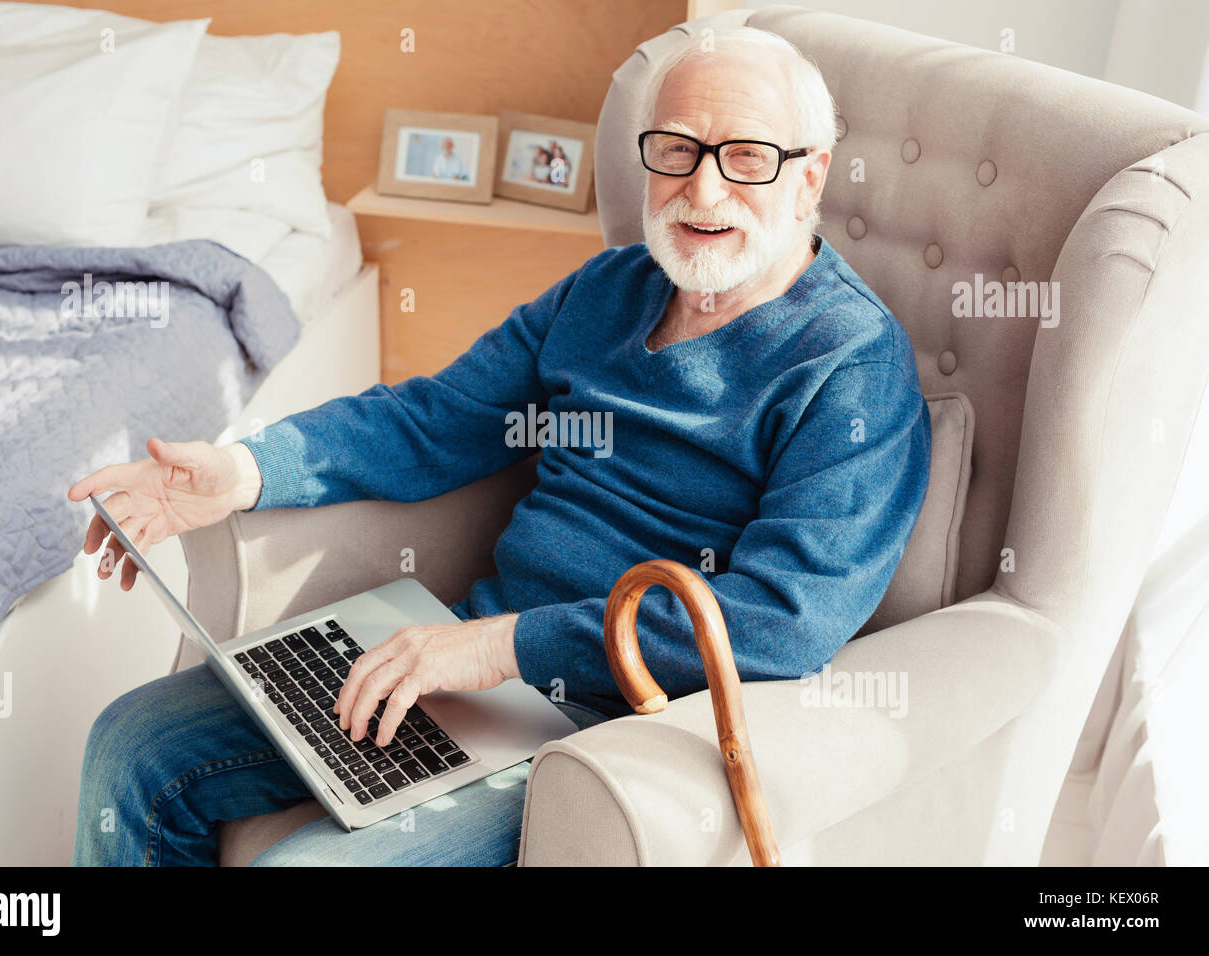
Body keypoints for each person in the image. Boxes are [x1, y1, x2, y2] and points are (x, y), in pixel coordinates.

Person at [68, 26, 931, 866]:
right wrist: (243, 470)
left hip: (617, 736)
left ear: (809, 177)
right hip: (472, 670)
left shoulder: (851, 366)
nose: (702, 193)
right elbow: (438, 417)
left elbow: (784, 622)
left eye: (745, 157)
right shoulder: (609, 288)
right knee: (135, 743)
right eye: (675, 149)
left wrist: (499, 648)